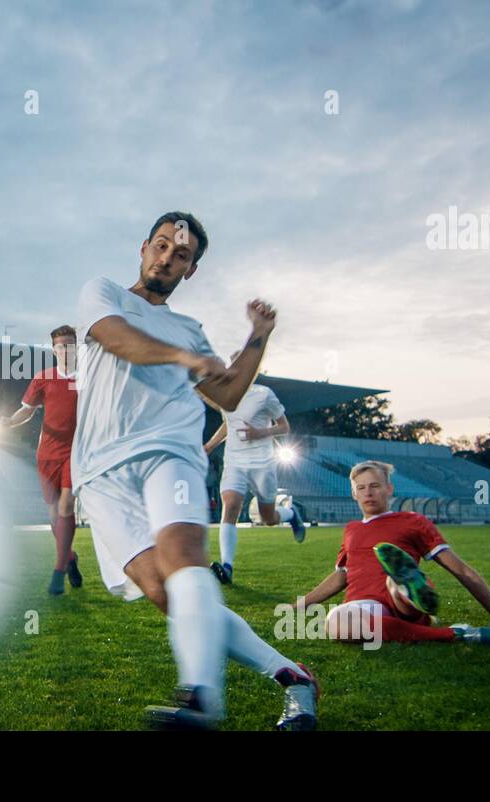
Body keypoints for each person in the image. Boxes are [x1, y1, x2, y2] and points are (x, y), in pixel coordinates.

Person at [73, 211, 318, 730]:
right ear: (143, 248)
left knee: (185, 561)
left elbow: (227, 394)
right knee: (167, 595)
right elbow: (119, 340)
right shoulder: (105, 293)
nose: (166, 257)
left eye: (180, 254)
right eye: (160, 245)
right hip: (99, 471)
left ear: (191, 269)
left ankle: (200, 699)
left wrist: (258, 337)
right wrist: (188, 358)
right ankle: (293, 675)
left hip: (171, 451)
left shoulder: (190, 328)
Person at [296, 460, 490, 646]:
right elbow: (341, 575)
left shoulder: (412, 521)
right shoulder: (352, 529)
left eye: (375, 486)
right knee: (342, 621)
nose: (368, 492)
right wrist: (300, 604)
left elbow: (459, 569)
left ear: (389, 489)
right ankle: (456, 633)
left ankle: (405, 588)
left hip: (404, 607)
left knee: (389, 585)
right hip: (366, 607)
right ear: (354, 494)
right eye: (362, 488)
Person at [0, 326, 82, 595]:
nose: (65, 350)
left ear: (76, 346)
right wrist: (10, 422)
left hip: (77, 452)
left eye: (70, 345)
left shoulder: (89, 379)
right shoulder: (43, 378)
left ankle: (58, 573)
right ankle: (69, 559)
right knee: (53, 515)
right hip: (47, 453)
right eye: (60, 346)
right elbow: (27, 411)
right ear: (54, 350)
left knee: (67, 506)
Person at [203, 377, 305, 586]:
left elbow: (284, 427)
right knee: (230, 506)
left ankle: (292, 514)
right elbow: (227, 424)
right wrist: (210, 446)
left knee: (268, 518)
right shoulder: (227, 396)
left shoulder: (264, 394)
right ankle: (227, 567)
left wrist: (260, 433)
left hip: (262, 463)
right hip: (234, 462)